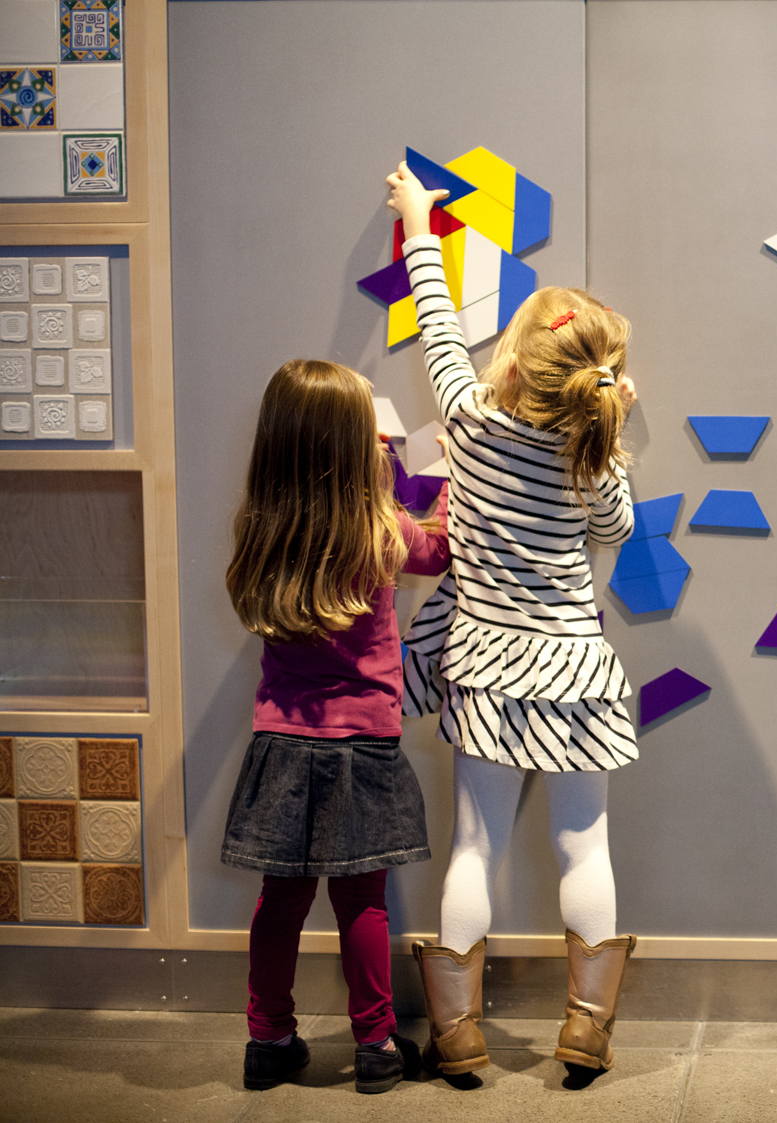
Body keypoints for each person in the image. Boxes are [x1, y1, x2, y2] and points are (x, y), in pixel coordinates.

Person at [386, 161, 642, 1082]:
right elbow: (616, 531)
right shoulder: (589, 457)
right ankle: (586, 1030)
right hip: (573, 670)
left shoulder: (464, 421)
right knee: (584, 847)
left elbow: (437, 322)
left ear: (515, 360)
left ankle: (458, 1033)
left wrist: (420, 222)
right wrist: (608, 438)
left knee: (474, 847)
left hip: (486, 666)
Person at [221, 359, 450, 1095]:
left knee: (281, 899)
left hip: (280, 741)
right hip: (365, 743)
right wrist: (451, 476)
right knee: (362, 901)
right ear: (356, 446)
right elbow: (441, 549)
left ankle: (268, 1039)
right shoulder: (380, 529)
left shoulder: (262, 530)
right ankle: (375, 1043)